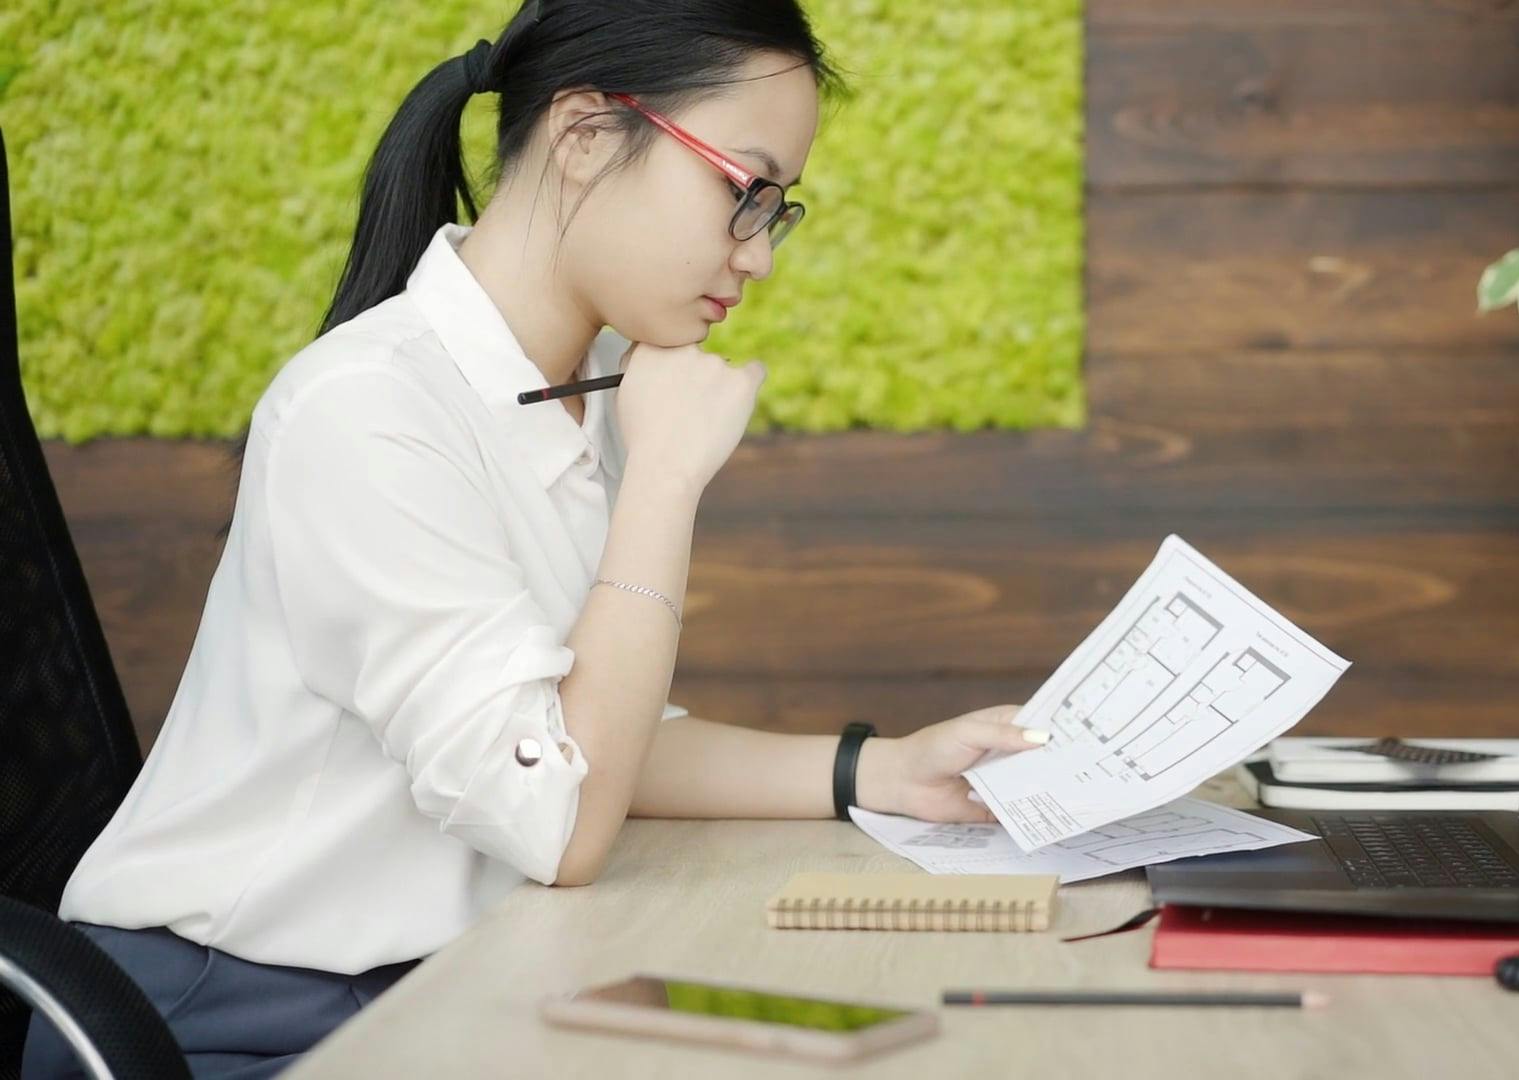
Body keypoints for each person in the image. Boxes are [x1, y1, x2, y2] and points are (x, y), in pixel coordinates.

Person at [24, 2, 1046, 1075]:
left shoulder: (579, 387)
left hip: (446, 980)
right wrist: (662, 480)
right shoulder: (365, 412)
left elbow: (584, 745)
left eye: (776, 209)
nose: (759, 257)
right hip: (214, 1022)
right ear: (584, 136)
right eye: (742, 193)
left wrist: (880, 773)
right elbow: (559, 817)